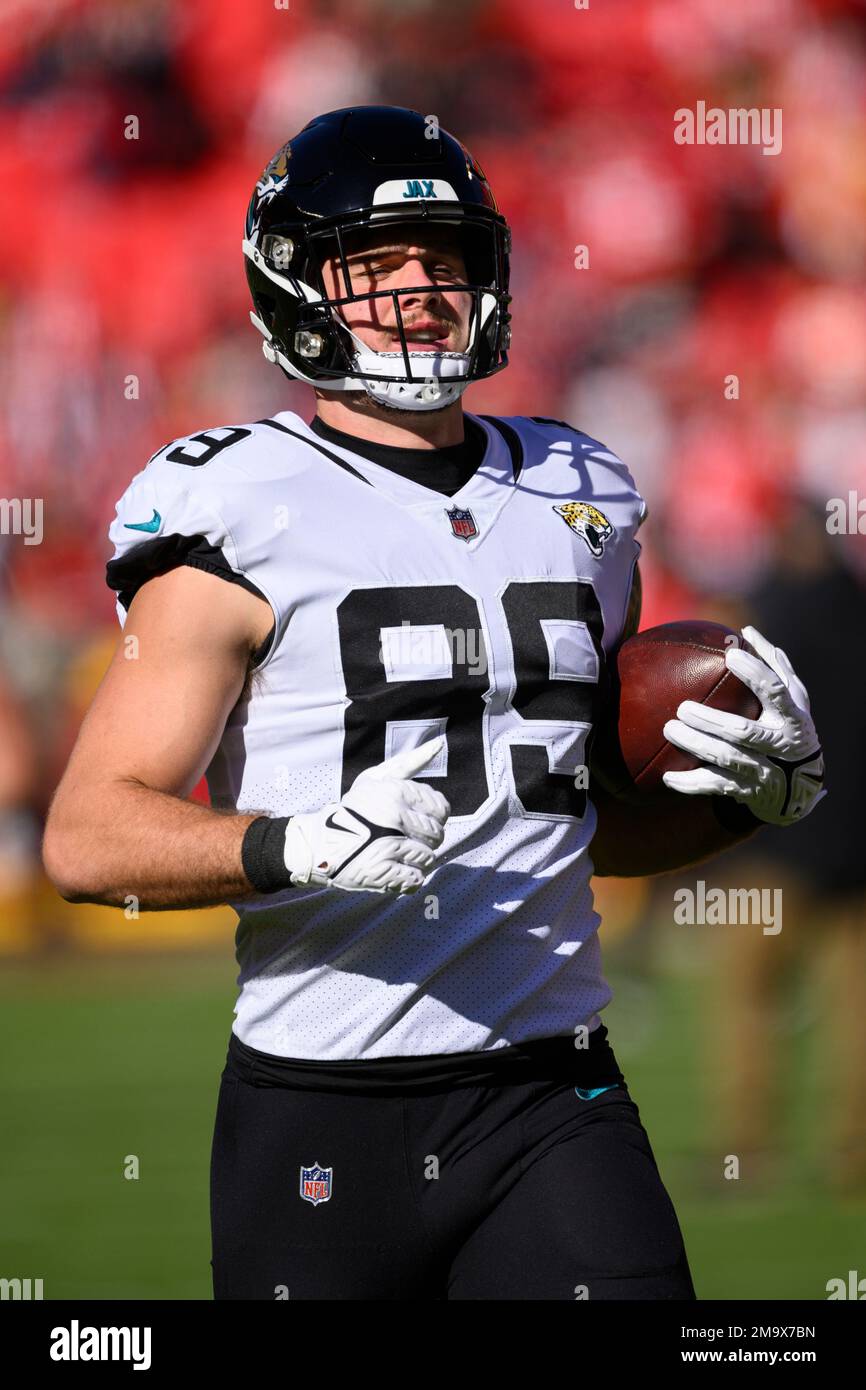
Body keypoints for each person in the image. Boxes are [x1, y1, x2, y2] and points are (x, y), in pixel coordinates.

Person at [42, 106, 825, 1300]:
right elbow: (90, 834)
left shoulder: (584, 488)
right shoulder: (238, 501)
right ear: (298, 283)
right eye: (375, 263)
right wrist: (291, 842)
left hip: (551, 1092)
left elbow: (566, 820)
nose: (418, 288)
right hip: (322, 1098)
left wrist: (743, 805)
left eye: (444, 258)